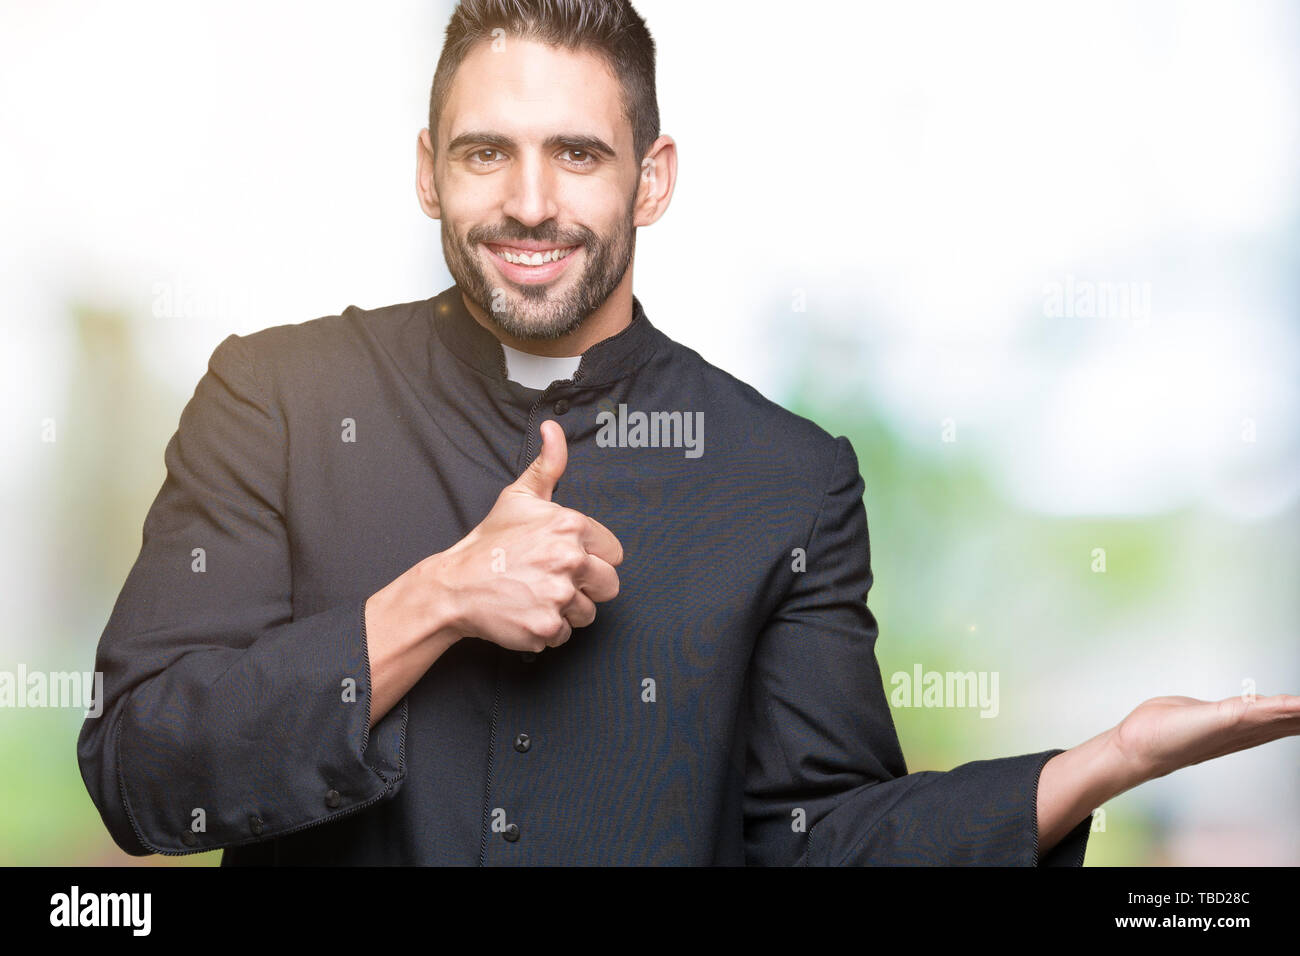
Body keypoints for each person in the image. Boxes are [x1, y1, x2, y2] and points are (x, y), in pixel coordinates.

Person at [77, 0, 1299, 865]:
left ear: (651, 179)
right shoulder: (275, 396)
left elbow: (819, 838)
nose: (530, 200)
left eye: (579, 154)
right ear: (425, 172)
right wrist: (437, 598)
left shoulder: (788, 476)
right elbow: (141, 775)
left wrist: (1094, 764)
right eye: (485, 153)